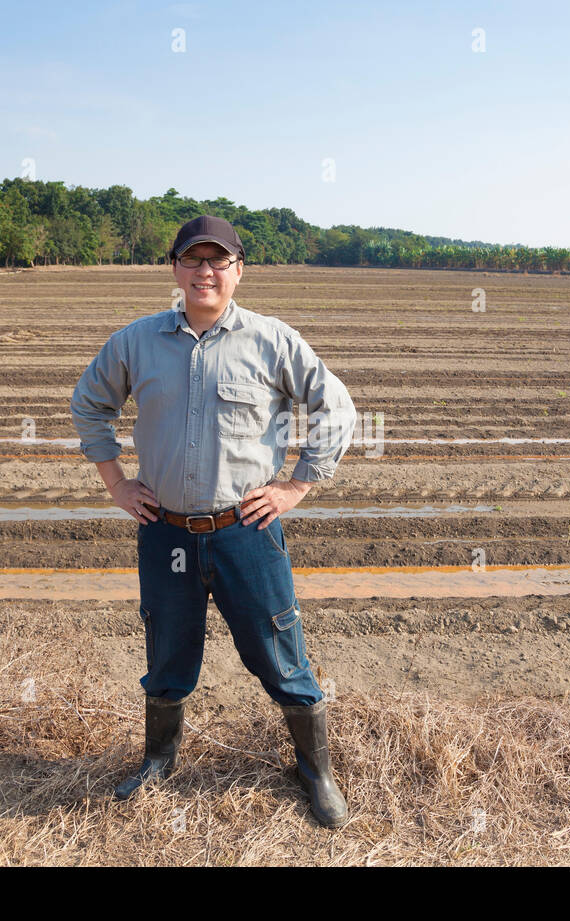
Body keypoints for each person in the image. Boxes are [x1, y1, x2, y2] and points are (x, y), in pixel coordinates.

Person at [70, 214, 357, 827]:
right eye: (193, 260)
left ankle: (315, 771)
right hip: (166, 530)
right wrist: (117, 482)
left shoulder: (273, 340)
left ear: (237, 271)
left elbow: (335, 409)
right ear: (175, 268)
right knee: (168, 650)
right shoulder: (135, 342)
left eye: (218, 261)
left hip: (245, 533)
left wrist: (296, 485)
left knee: (280, 652)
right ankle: (158, 759)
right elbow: (89, 404)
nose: (205, 271)